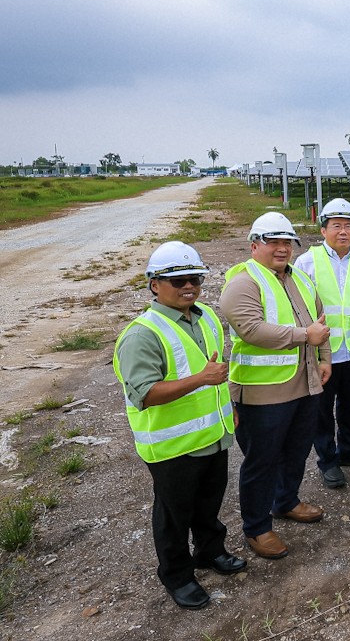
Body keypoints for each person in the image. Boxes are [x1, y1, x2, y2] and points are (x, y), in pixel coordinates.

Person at [113, 241, 244, 610]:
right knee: (174, 516)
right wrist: (201, 380)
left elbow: (216, 374)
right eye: (178, 280)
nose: (189, 286)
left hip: (213, 438)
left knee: (208, 506)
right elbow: (145, 393)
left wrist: (228, 407)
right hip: (173, 448)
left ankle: (210, 552)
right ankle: (177, 575)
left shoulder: (203, 317)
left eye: (195, 279)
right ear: (154, 284)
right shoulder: (143, 335)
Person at [220, 212, 331, 561]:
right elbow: (250, 329)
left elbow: (320, 321)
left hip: (305, 385)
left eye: (288, 242)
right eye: (274, 242)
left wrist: (324, 357)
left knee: (296, 450)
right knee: (261, 460)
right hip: (263, 392)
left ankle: (286, 501)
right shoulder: (243, 283)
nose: (282, 249)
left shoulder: (299, 279)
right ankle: (256, 527)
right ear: (255, 245)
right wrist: (304, 337)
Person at [294, 198, 350, 489]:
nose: (343, 232)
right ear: (323, 230)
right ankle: (328, 461)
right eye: (336, 226)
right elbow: (298, 306)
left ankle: (349, 449)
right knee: (322, 410)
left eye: (348, 226)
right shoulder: (307, 261)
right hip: (324, 354)